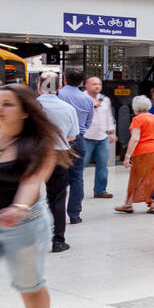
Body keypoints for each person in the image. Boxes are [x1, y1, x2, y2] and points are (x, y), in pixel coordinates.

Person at [1, 83, 67, 308]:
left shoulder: (40, 145)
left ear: (25, 111)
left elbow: (31, 183)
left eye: (7, 104)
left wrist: (17, 207)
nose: (0, 109)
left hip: (25, 225)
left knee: (30, 286)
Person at [36, 73, 77, 253]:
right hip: (59, 155)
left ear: (39, 86)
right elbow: (72, 136)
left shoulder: (32, 107)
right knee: (57, 198)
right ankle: (58, 240)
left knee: (29, 197)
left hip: (33, 155)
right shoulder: (68, 108)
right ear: (59, 86)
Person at [115, 96, 154, 214]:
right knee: (153, 178)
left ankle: (128, 205)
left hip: (142, 152)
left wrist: (127, 156)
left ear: (135, 108)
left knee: (136, 178)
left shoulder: (137, 119)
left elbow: (135, 138)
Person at [57, 67, 93, 224]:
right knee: (77, 177)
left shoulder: (59, 95)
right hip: (78, 139)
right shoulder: (87, 99)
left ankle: (56, 211)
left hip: (59, 139)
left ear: (64, 79)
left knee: (58, 177)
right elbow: (88, 122)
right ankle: (75, 214)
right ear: (82, 82)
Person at [82, 75, 116, 201]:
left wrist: (111, 132)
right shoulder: (82, 98)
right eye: (94, 84)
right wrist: (91, 105)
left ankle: (100, 190)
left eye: (99, 84)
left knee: (103, 165)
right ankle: (74, 188)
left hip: (102, 137)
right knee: (80, 165)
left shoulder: (105, 99)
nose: (97, 86)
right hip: (86, 137)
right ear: (86, 85)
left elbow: (108, 116)